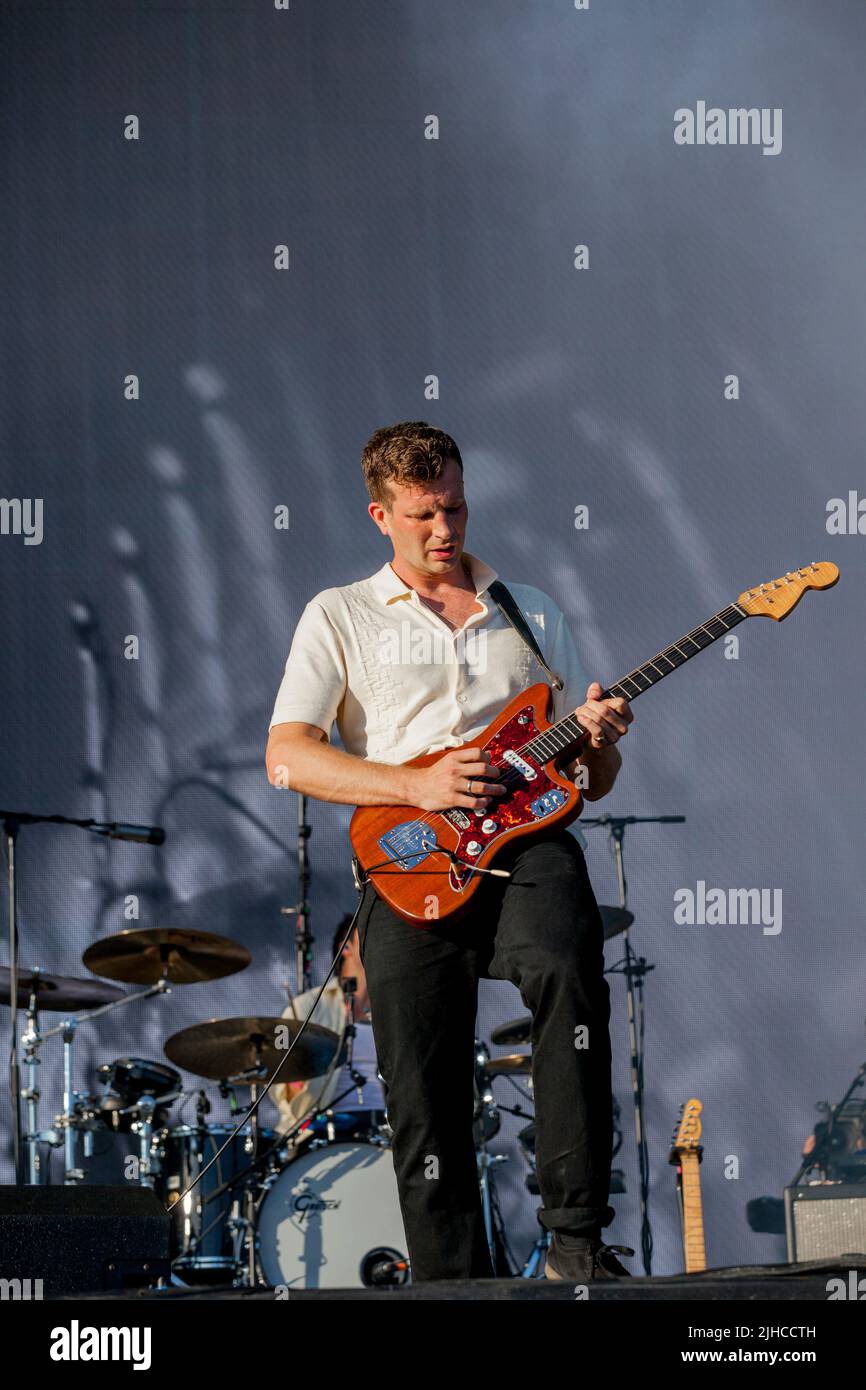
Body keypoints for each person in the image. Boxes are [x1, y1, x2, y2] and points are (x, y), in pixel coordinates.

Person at [265, 421, 635, 1282]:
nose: (446, 529)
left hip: (525, 843)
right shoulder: (341, 614)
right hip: (408, 858)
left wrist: (602, 738)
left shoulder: (529, 609)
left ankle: (576, 1244)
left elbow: (596, 776)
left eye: (457, 508)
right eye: (425, 514)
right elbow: (287, 754)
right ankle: (452, 1283)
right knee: (421, 1084)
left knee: (565, 964)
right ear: (380, 515)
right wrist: (415, 786)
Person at [271, 914, 387, 1141]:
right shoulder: (308, 1007)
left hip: (384, 1133)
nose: (378, 938)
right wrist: (297, 1081)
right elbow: (279, 1083)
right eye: (366, 931)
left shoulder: (393, 1009)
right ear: (345, 947)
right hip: (324, 1135)